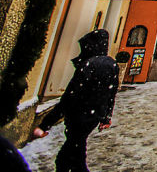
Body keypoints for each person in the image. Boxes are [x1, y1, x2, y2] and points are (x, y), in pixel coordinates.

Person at [34, 30, 118, 172]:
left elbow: (69, 97)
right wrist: (106, 116)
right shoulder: (111, 65)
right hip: (93, 117)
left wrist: (45, 124)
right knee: (73, 155)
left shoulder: (88, 65)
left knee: (68, 159)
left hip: (79, 116)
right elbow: (111, 93)